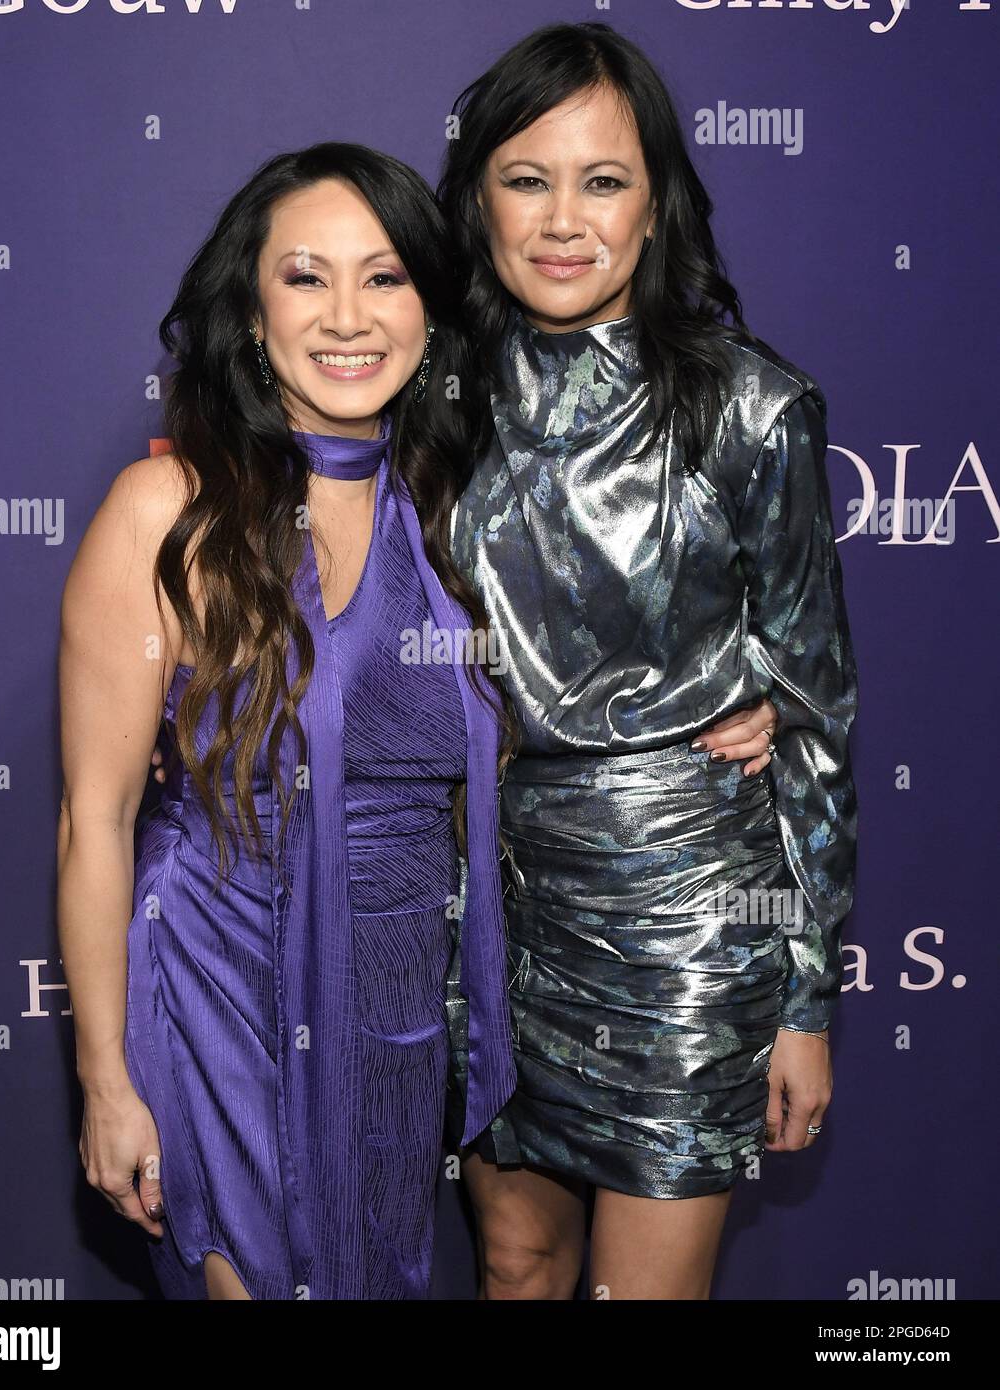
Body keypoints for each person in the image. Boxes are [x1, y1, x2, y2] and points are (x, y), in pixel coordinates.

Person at [436, 22, 859, 1300]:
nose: (563, 220)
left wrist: (805, 999)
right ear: (478, 201)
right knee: (514, 1264)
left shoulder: (751, 408)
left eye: (602, 180)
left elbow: (816, 711)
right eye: (526, 178)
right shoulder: (428, 394)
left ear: (655, 203)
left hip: (687, 908)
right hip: (488, 903)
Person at [56, 143, 518, 1300]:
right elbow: (95, 822)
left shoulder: (457, 517)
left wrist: (740, 709)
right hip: (220, 981)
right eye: (306, 277)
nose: (348, 315)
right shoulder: (170, 515)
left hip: (393, 1008)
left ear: (427, 310)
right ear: (252, 316)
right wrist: (107, 1082)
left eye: (385, 277)